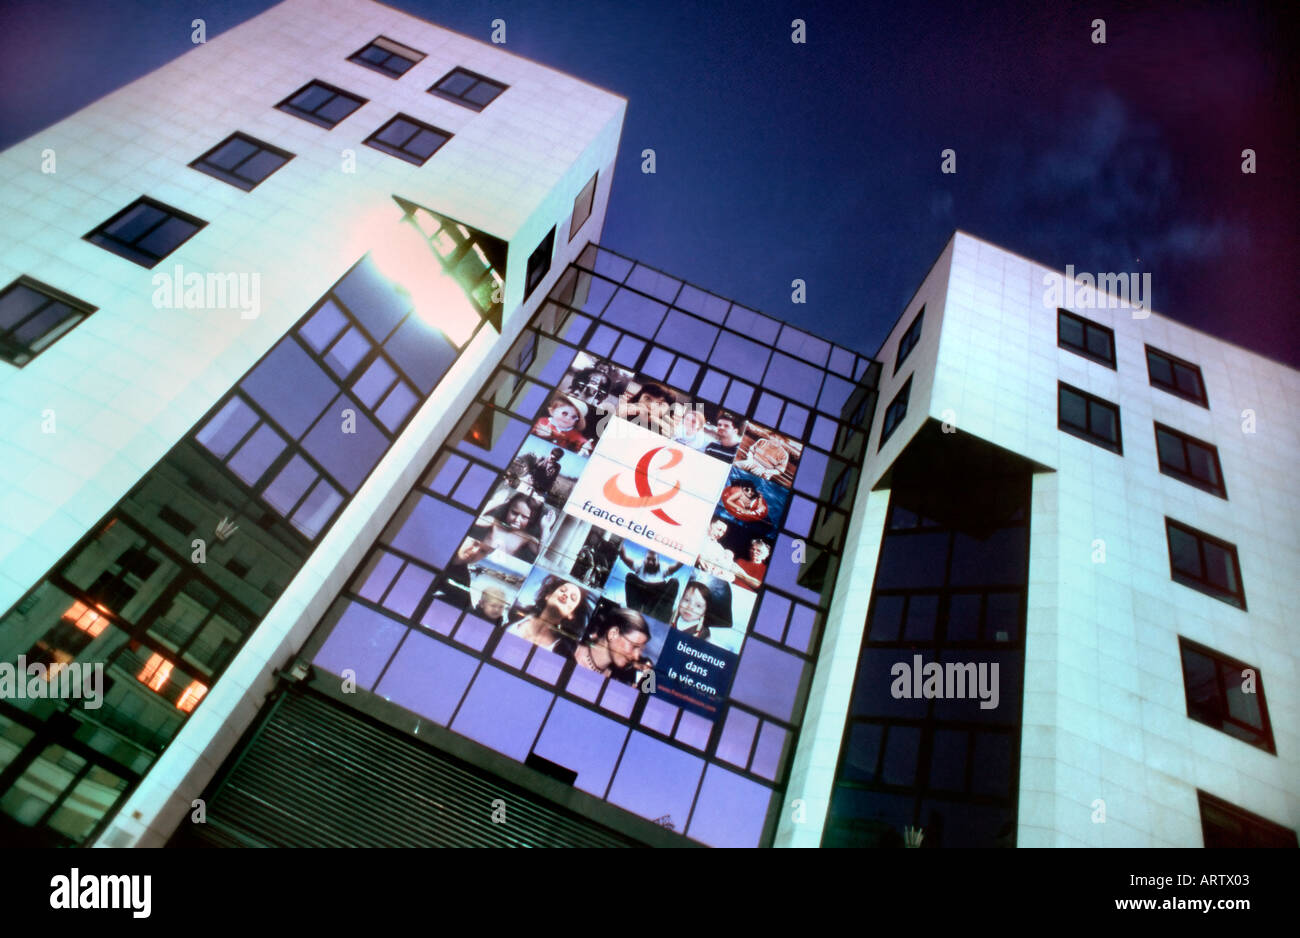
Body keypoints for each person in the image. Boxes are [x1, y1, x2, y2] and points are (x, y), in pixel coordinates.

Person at [506, 576, 590, 654]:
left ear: (571, 614)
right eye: (563, 590)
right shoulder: (514, 616)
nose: (566, 595)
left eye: (573, 598)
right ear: (548, 596)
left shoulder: (562, 651)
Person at [574, 605, 654, 686]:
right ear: (613, 634)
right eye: (634, 646)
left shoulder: (620, 681)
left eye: (640, 650)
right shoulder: (566, 648)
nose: (636, 657)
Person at [469, 492, 551, 562]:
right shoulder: (494, 522)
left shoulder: (527, 537)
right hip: (480, 557)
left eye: (524, 517)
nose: (517, 519)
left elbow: (541, 553)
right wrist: (495, 502)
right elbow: (473, 519)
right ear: (508, 509)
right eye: (514, 513)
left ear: (531, 519)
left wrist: (545, 528)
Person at [618, 546, 682, 621]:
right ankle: (633, 610)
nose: (651, 562)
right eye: (648, 559)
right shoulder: (639, 564)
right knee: (630, 576)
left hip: (656, 596)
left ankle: (662, 615)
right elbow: (624, 557)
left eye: (654, 560)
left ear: (658, 561)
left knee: (674, 582)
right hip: (641, 594)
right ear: (644, 559)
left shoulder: (663, 567)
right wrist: (621, 544)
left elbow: (677, 566)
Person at [432, 537, 494, 608]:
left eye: (483, 551)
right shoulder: (433, 550)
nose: (475, 551)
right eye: (475, 543)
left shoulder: (463, 579)